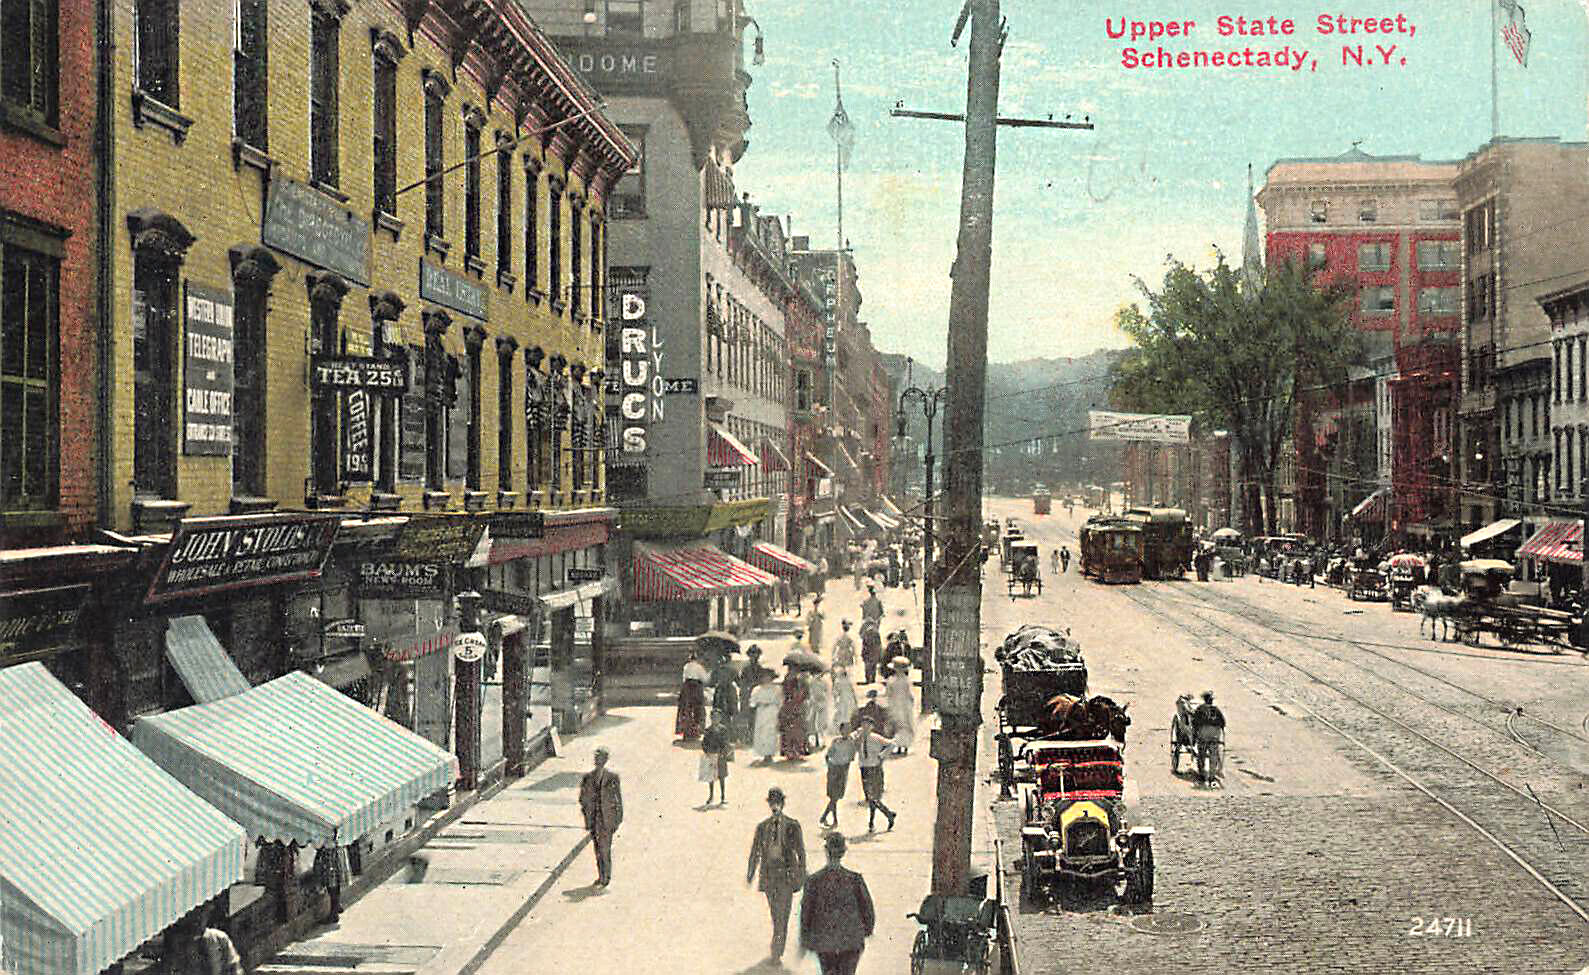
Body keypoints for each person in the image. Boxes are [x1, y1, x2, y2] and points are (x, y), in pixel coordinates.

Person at [799, 832, 876, 975]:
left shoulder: (814, 881)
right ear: (843, 852)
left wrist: (805, 938)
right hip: (851, 941)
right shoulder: (855, 879)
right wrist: (867, 930)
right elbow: (867, 909)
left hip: (825, 942)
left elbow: (806, 912)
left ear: (826, 851)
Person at [747, 787, 807, 963]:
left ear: (783, 804)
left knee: (783, 915)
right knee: (776, 914)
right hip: (769, 876)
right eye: (772, 803)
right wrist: (750, 872)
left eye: (778, 803)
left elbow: (801, 852)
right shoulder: (762, 827)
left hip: (786, 876)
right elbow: (755, 851)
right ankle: (778, 942)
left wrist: (801, 875)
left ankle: (776, 951)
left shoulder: (793, 826)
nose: (775, 806)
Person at [578, 747, 623, 887]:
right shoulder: (588, 778)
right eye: (596, 758)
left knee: (605, 849)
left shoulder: (612, 778)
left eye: (600, 758)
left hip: (607, 820)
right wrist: (587, 811)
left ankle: (606, 877)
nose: (597, 761)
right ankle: (600, 875)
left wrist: (617, 820)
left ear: (605, 760)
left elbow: (618, 800)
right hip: (594, 819)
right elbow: (582, 797)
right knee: (597, 850)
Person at [169, 910, 244, 975]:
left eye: (202, 915)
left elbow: (234, 965)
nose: (199, 920)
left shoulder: (219, 937)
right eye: (195, 916)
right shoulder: (183, 946)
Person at [854, 719, 897, 831]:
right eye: (863, 725)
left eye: (867, 726)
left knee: (874, 797)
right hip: (864, 768)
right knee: (870, 798)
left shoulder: (876, 738)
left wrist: (882, 755)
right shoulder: (858, 737)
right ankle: (887, 815)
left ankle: (874, 822)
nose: (865, 728)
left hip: (874, 768)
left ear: (872, 727)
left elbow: (891, 744)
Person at [820, 721, 857, 829]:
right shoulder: (836, 741)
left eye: (849, 730)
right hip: (833, 769)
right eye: (844, 729)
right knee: (833, 796)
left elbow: (852, 757)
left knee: (836, 797)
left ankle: (824, 817)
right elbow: (828, 755)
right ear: (840, 731)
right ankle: (834, 820)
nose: (846, 732)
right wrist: (830, 766)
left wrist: (845, 768)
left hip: (843, 770)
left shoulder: (852, 742)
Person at [1191, 690, 1226, 784]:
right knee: (1213, 754)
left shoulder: (1200, 709)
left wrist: (1194, 735)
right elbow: (1223, 723)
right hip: (1215, 732)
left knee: (1201, 753)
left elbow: (1194, 722)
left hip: (1203, 732)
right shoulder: (1216, 710)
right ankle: (1212, 775)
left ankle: (1202, 774)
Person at [700, 710, 732, 806]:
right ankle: (711, 795)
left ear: (720, 718)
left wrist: (723, 753)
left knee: (722, 776)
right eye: (713, 718)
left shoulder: (724, 730)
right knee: (711, 777)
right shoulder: (708, 730)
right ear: (711, 719)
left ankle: (723, 796)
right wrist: (707, 752)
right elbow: (704, 743)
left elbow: (726, 743)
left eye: (717, 717)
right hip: (711, 755)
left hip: (720, 755)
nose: (715, 720)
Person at [749, 671, 782, 764]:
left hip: (772, 712)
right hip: (761, 712)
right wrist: (758, 703)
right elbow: (752, 702)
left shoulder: (776, 689)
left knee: (771, 732)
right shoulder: (757, 689)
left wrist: (778, 710)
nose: (766, 679)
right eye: (764, 677)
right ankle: (764, 754)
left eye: (768, 677)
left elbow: (780, 701)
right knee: (762, 732)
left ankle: (770, 755)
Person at [675, 652, 709, 741]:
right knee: (697, 709)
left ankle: (687, 730)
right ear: (697, 659)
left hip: (686, 688)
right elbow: (705, 679)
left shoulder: (686, 666)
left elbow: (684, 678)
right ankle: (696, 731)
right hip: (696, 688)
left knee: (686, 709)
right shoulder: (699, 667)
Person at [885, 659, 915, 754]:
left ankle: (897, 746)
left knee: (897, 725)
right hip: (905, 705)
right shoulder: (907, 680)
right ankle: (905, 746)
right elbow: (910, 694)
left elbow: (888, 694)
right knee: (905, 724)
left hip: (895, 705)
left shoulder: (891, 680)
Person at [805, 666, 832, 751]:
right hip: (813, 704)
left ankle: (820, 741)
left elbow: (827, 692)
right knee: (812, 723)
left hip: (822, 703)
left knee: (821, 723)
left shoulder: (824, 682)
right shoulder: (811, 682)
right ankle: (812, 741)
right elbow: (810, 693)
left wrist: (824, 699)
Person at [831, 664, 858, 733]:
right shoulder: (847, 681)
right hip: (848, 698)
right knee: (845, 713)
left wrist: (835, 699)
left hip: (845, 699)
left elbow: (835, 692)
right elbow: (852, 691)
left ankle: (844, 728)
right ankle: (844, 728)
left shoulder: (838, 681)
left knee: (844, 713)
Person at [859, 619, 882, 685]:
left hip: (868, 652)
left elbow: (864, 644)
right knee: (873, 666)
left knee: (867, 667)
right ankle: (873, 679)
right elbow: (879, 644)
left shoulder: (866, 633)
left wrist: (863, 653)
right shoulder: (876, 632)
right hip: (874, 652)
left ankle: (868, 679)